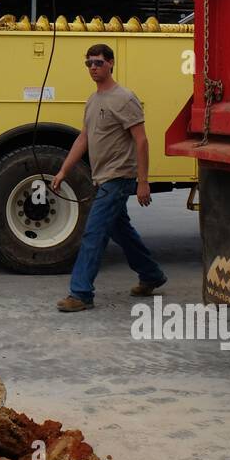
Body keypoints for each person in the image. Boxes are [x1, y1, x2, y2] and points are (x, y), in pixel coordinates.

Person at [51, 42, 167, 313]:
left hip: (119, 177)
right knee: (120, 230)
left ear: (111, 63)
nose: (93, 67)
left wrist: (142, 181)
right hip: (101, 177)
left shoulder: (124, 98)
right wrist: (64, 170)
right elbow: (84, 137)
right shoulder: (94, 99)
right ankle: (151, 275)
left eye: (98, 62)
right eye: (89, 63)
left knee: (94, 233)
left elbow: (141, 141)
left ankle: (80, 293)